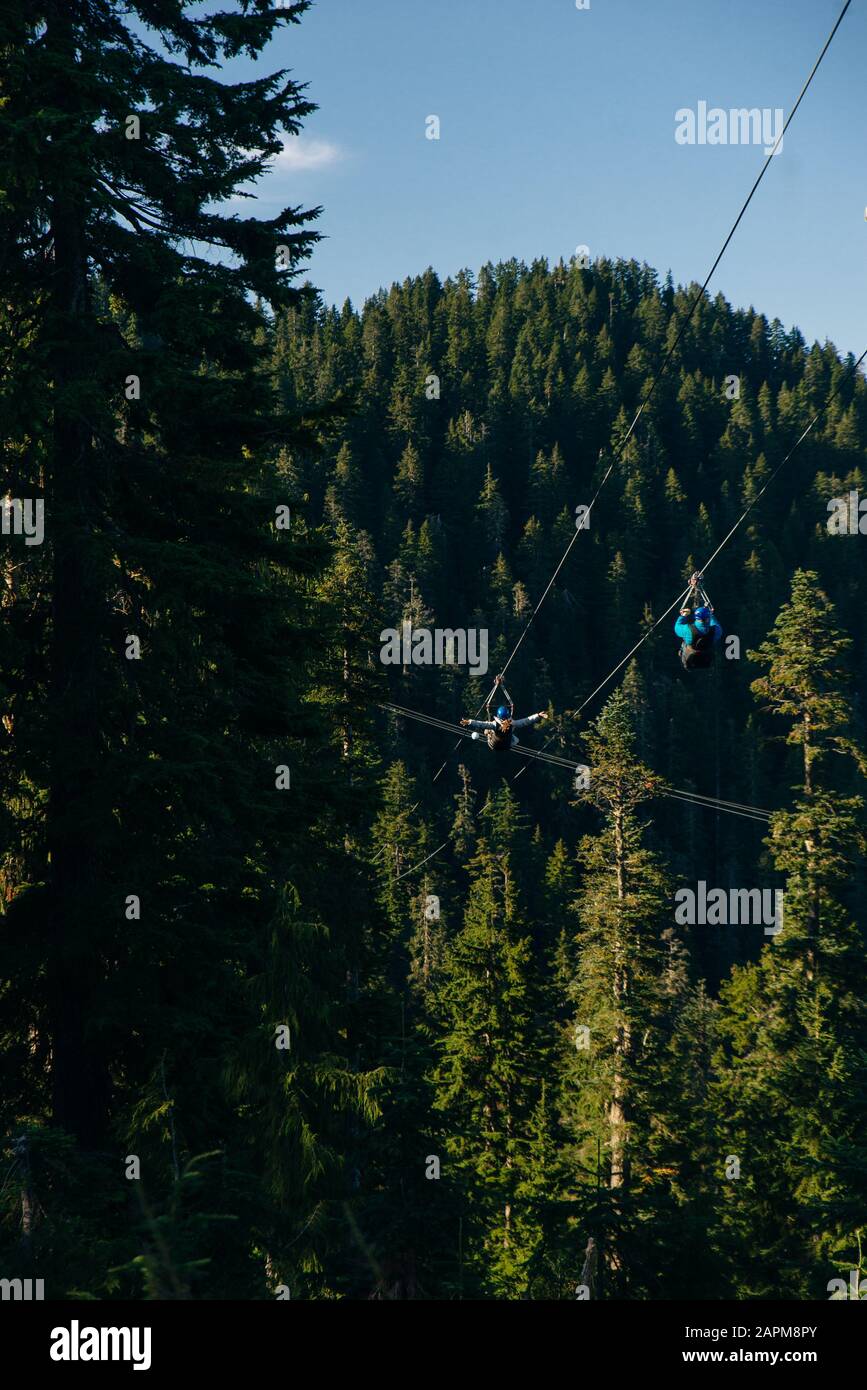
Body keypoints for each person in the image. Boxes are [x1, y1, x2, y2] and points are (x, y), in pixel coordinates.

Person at [460, 674, 547, 751]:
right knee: (510, 734)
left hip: (494, 745)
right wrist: (538, 715)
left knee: (487, 730)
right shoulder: (512, 723)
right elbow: (526, 721)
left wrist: (469, 722)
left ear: (498, 716)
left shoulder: (495, 724)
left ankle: (490, 734)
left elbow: (480, 724)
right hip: (507, 746)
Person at [675, 599, 722, 670]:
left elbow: (677, 627)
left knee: (685, 643)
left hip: (690, 657)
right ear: (707, 618)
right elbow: (716, 624)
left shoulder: (688, 629)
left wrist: (683, 616)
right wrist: (711, 615)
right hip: (705, 657)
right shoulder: (715, 630)